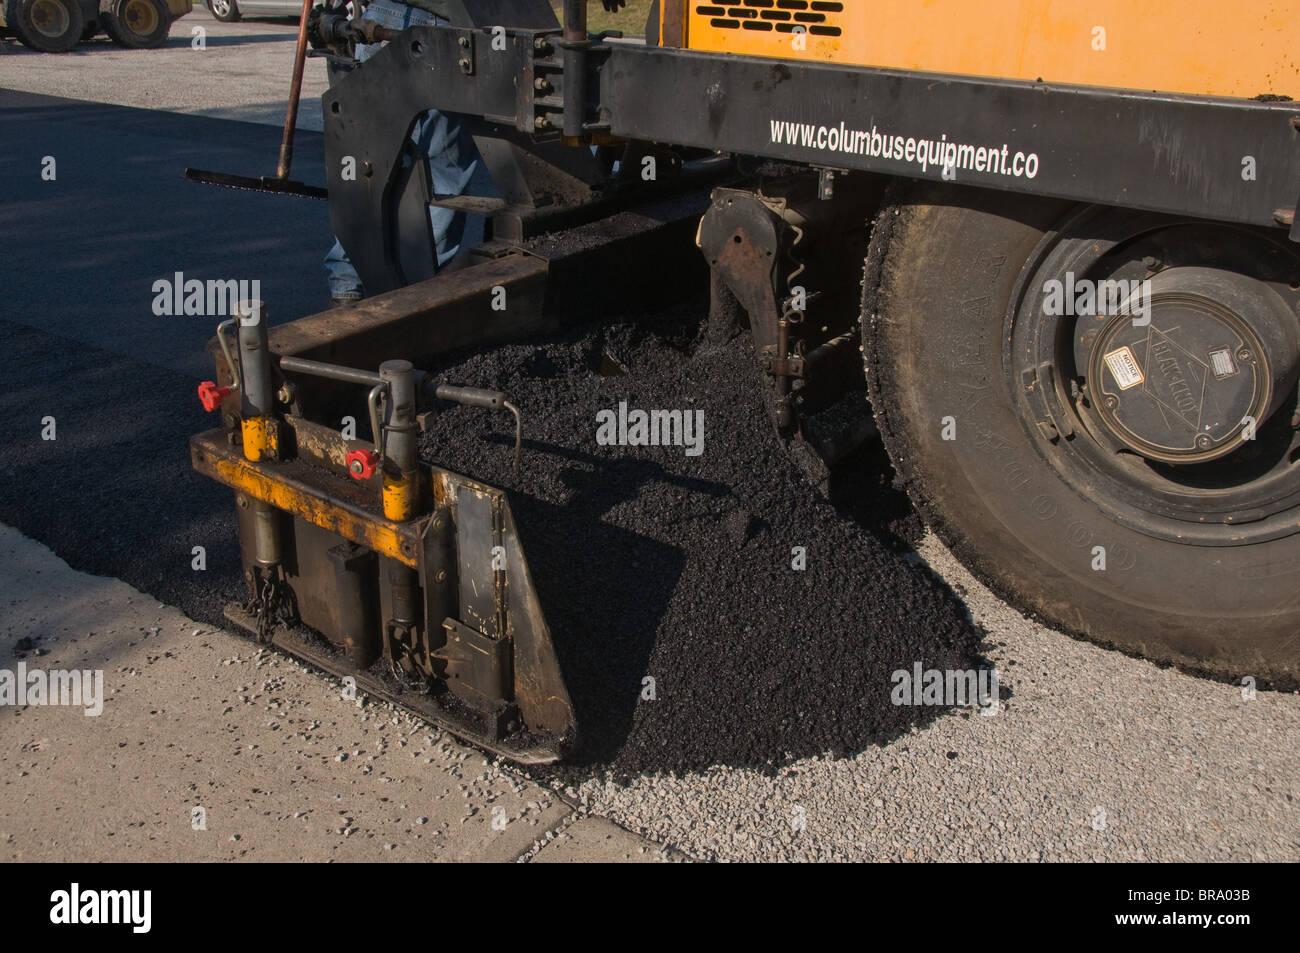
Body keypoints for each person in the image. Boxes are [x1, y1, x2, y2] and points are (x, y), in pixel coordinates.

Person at [324, 0, 496, 306]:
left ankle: (347, 288)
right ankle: (417, 294)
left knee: (368, 162)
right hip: (449, 24)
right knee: (442, 168)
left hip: (383, 16)